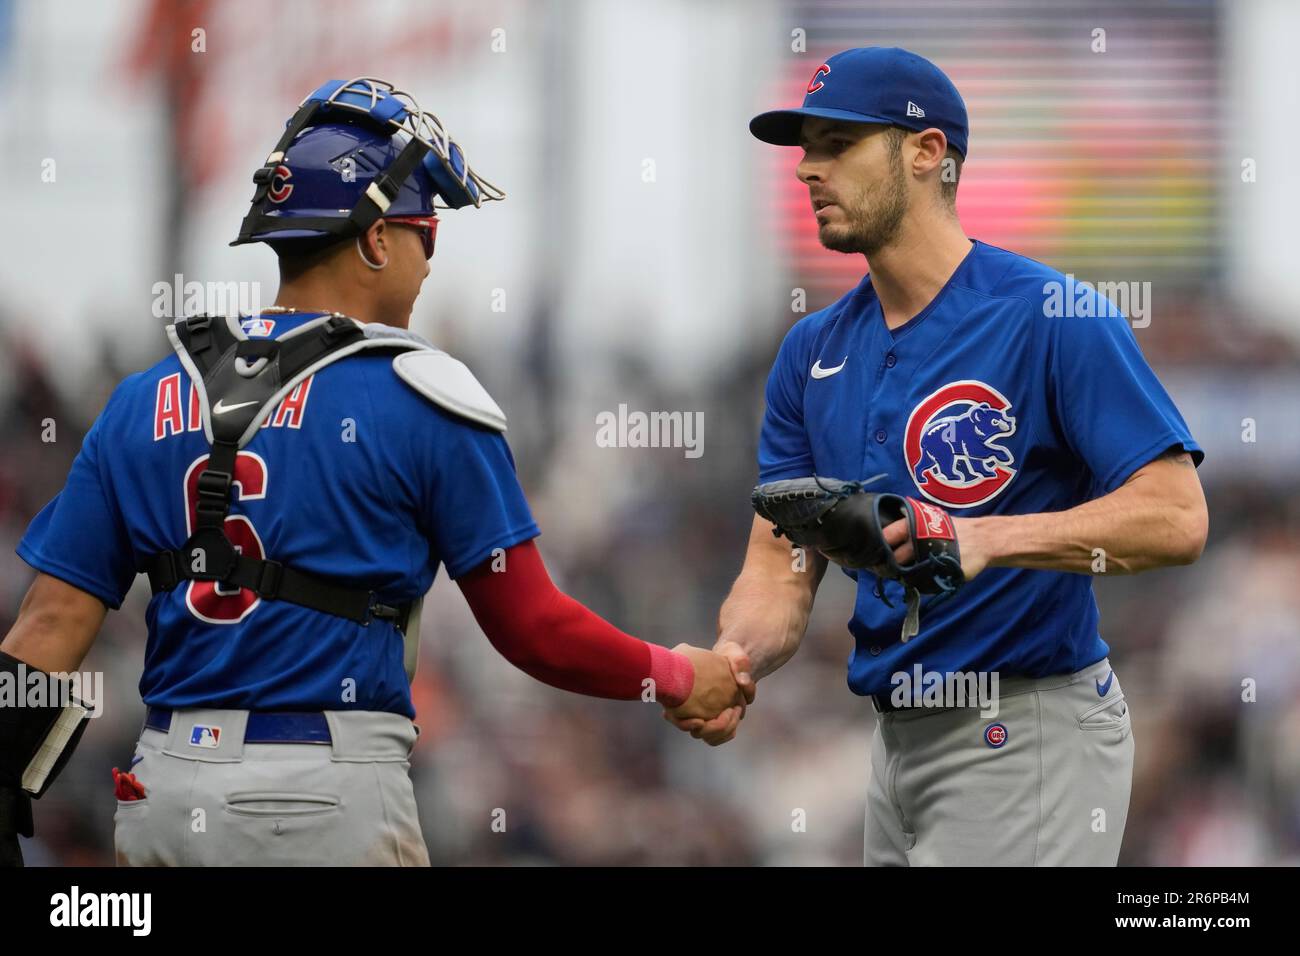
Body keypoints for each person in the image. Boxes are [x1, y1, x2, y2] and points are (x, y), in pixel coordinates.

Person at [0, 77, 751, 868]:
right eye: (426, 230)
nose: (430, 261)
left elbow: (47, 630)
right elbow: (532, 628)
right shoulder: (420, 393)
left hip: (162, 794)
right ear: (374, 239)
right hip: (324, 799)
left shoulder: (144, 396)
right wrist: (674, 674)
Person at [668, 47, 1208, 866]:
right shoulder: (809, 353)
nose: (809, 170)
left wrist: (987, 536)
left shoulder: (1050, 314)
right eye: (805, 148)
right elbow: (779, 567)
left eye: (838, 144)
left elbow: (1177, 515)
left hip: (1024, 727)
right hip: (894, 742)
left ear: (928, 153)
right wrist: (733, 658)